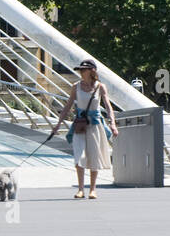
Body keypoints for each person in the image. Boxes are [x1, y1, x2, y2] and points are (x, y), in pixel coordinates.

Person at [49, 60, 119, 200]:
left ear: (92, 70)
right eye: (80, 69)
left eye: (84, 69)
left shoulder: (100, 87)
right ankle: (81, 189)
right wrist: (58, 124)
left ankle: (92, 189)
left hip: (94, 125)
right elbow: (68, 106)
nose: (81, 71)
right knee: (79, 156)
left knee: (94, 156)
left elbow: (108, 106)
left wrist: (113, 123)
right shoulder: (76, 86)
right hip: (80, 125)